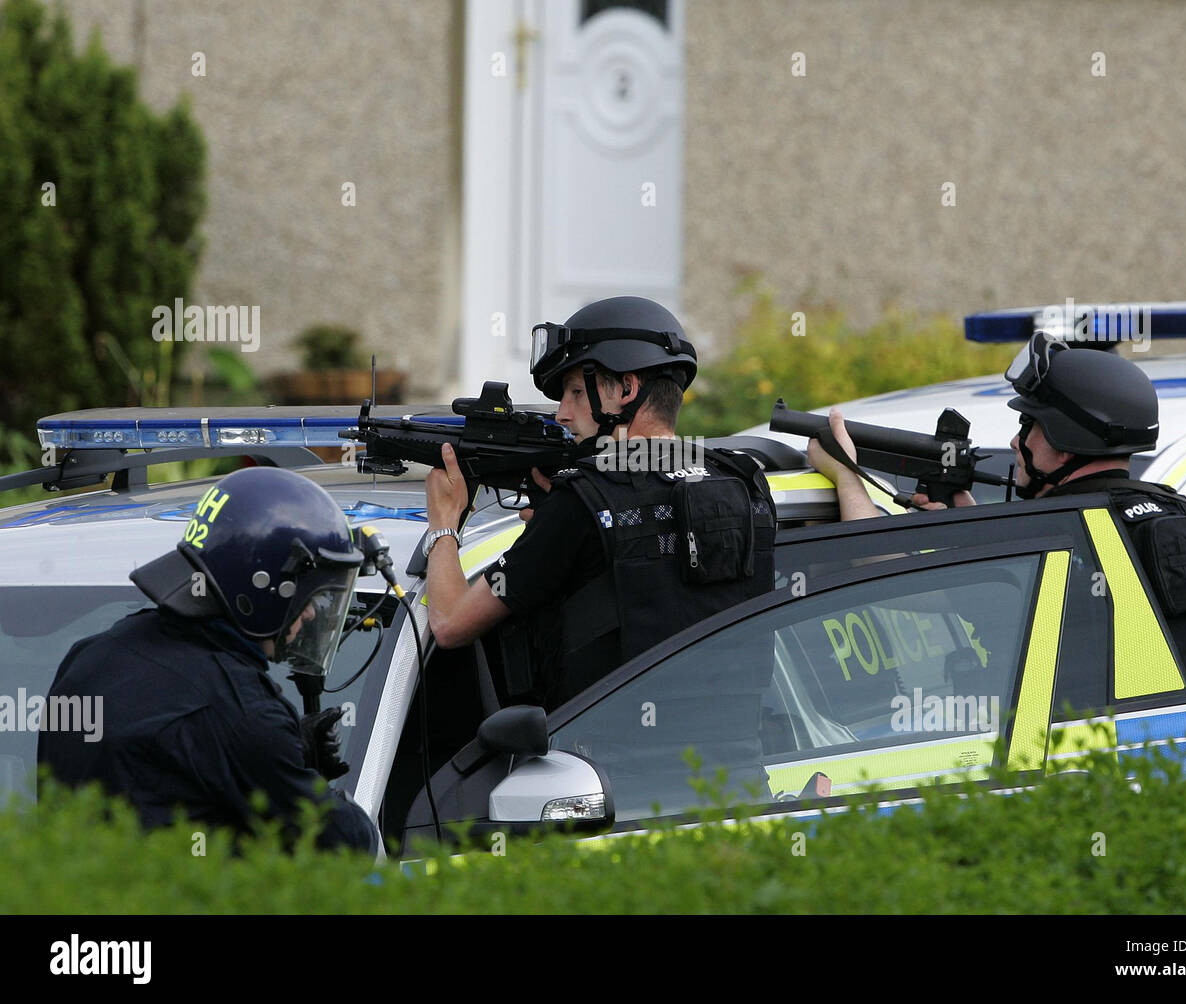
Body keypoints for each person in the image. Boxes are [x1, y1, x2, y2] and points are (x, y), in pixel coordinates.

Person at [810, 331, 1186, 767]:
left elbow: (890, 576)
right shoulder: (1176, 514)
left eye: (1028, 426)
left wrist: (846, 476)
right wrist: (972, 524)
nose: (1018, 442)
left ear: (1064, 438)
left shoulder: (1056, 536)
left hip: (1113, 786)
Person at [424, 295, 778, 710]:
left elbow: (448, 624)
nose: (561, 414)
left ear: (627, 389)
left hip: (607, 770)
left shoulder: (582, 503)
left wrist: (444, 524)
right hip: (729, 771)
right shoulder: (745, 482)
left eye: (575, 391)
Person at [37, 467, 380, 852]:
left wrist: (281, 753)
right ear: (264, 587)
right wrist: (295, 769)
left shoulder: (92, 656)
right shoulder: (241, 710)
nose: (314, 614)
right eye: (310, 595)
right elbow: (347, 845)